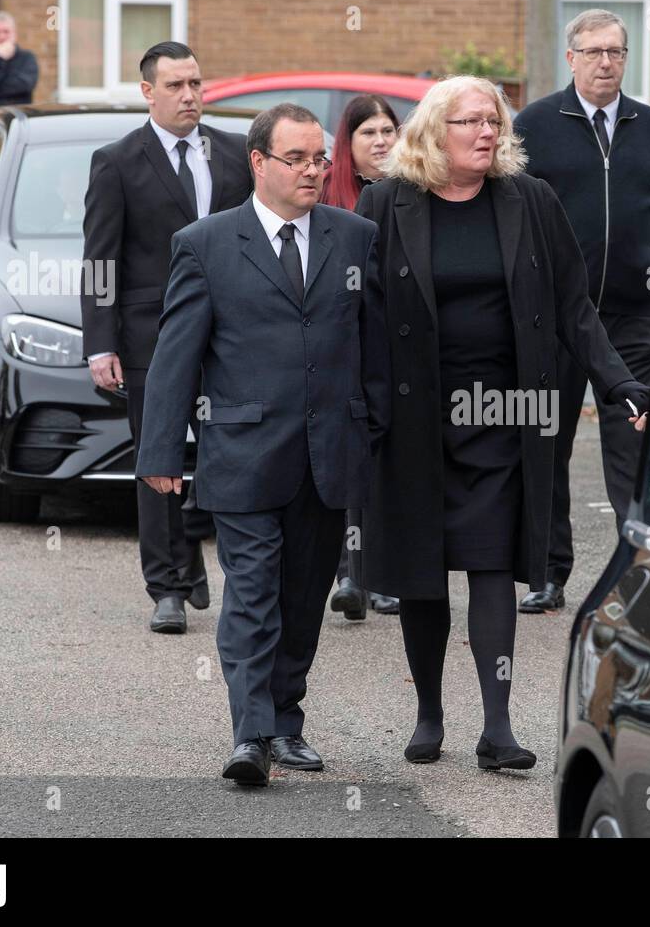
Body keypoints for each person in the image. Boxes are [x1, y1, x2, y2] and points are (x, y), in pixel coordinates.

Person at [356, 75, 649, 770]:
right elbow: (357, 314)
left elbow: (576, 307)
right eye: (470, 122)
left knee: (492, 564)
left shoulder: (531, 201)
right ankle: (429, 713)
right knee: (422, 572)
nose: (487, 133)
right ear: (433, 132)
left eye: (493, 121)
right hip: (415, 415)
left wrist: (620, 384)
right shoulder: (385, 204)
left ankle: (498, 725)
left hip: (504, 414)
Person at [135, 102, 388, 786]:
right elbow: (175, 356)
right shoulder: (206, 244)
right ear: (258, 163)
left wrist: (377, 432)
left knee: (304, 597)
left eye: (319, 159)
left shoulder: (356, 238)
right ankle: (250, 735)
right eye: (297, 158)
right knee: (251, 595)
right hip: (243, 452)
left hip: (329, 453)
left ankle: (285, 722)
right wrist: (161, 452)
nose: (314, 170)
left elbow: (377, 349)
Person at [512, 9, 650, 614]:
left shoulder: (649, 126)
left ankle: (634, 572)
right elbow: (514, 221)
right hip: (557, 318)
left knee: (633, 447)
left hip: (633, 316)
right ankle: (549, 573)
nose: (606, 62)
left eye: (616, 52)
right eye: (594, 52)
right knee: (547, 441)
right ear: (571, 57)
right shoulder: (535, 124)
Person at [80, 42, 252, 634]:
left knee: (229, 453)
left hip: (229, 336)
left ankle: (205, 556)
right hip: (149, 335)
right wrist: (100, 343)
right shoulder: (118, 161)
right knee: (157, 458)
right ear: (148, 92)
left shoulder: (233, 152)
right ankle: (168, 587)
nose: (190, 96)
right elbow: (100, 258)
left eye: (197, 84)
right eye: (176, 86)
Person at [320, 94, 401, 619]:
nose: (380, 141)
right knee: (348, 454)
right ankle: (351, 573)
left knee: (391, 461)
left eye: (388, 131)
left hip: (397, 345)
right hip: (340, 347)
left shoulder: (414, 193)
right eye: (368, 132)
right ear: (347, 144)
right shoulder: (328, 197)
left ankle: (383, 570)